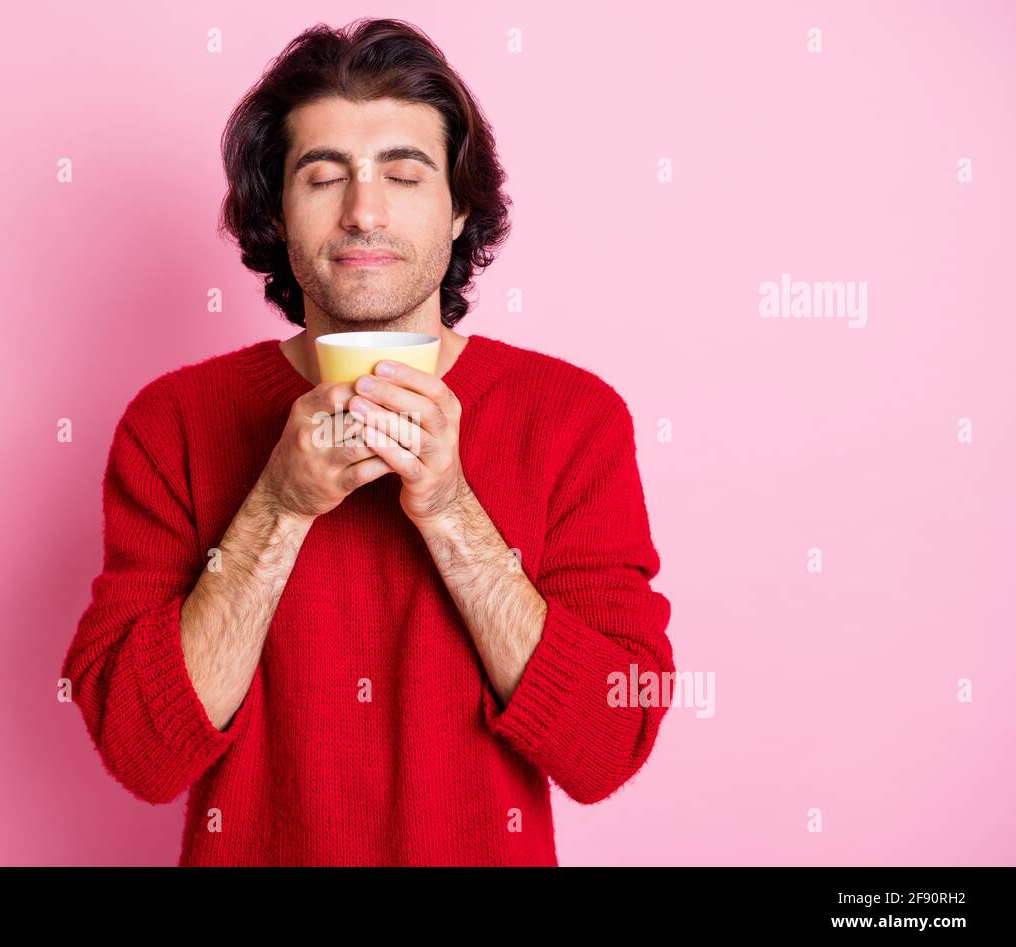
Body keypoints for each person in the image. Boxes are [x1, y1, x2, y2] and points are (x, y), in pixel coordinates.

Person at [61, 17, 674, 866]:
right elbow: (141, 752)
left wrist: (454, 515)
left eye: (403, 172)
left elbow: (608, 744)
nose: (364, 211)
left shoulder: (572, 416)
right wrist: (276, 505)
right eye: (323, 176)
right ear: (277, 210)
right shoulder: (173, 421)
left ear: (460, 210)